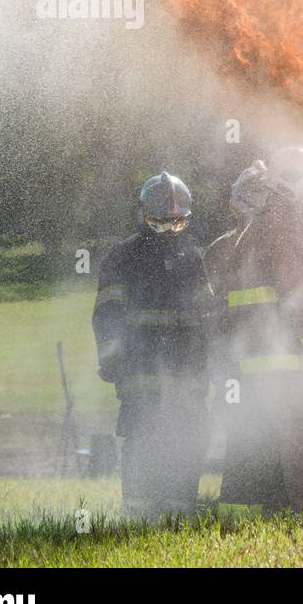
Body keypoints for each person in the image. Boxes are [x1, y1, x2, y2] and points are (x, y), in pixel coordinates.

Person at [204, 152, 303, 517]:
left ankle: (242, 523)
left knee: (250, 447)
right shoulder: (283, 227)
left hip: (247, 368)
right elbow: (300, 300)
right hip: (289, 366)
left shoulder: (231, 243)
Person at [91, 171, 211, 518]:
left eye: (177, 208)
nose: (172, 214)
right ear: (146, 211)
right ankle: (141, 514)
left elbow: (206, 316)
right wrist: (111, 360)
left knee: (187, 438)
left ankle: (179, 509)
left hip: (186, 376)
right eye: (165, 208)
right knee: (143, 439)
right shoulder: (124, 256)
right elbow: (107, 315)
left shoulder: (191, 257)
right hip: (141, 374)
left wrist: (210, 358)